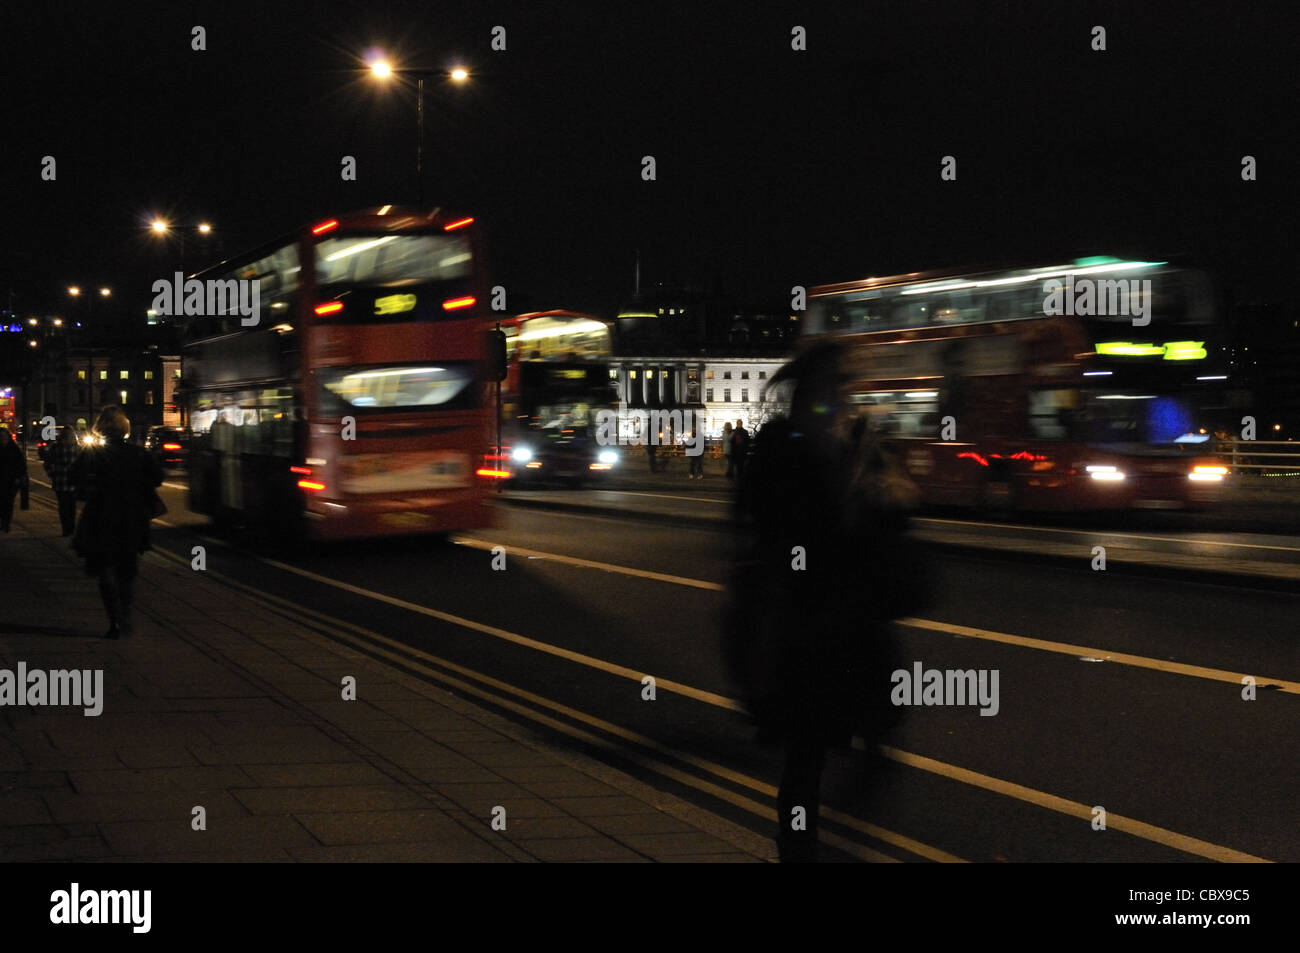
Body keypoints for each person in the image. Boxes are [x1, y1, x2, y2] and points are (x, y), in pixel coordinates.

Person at [726, 342, 925, 862]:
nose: (846, 397)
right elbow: (776, 528)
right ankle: (798, 848)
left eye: (847, 387)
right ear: (813, 393)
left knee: (869, 736)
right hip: (803, 627)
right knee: (807, 755)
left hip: (854, 624)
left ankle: (828, 836)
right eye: (837, 387)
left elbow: (899, 510)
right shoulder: (783, 448)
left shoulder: (856, 446)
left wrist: (883, 489)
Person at [70, 407, 163, 639]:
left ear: (100, 428)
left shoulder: (93, 453)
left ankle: (114, 621)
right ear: (125, 428)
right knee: (127, 570)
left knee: (105, 569)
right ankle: (126, 613)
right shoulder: (138, 453)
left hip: (101, 516)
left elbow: (74, 476)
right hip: (131, 517)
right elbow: (157, 477)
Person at [43, 427, 80, 536]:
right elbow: (83, 464)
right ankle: (71, 528)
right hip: (73, 482)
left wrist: (52, 473)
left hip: (60, 481)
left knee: (63, 506)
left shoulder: (55, 448)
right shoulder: (77, 448)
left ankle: (66, 529)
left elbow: (47, 463)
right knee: (71, 507)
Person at [0, 426, 26, 532]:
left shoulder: (14, 449)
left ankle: (6, 523)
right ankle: (3, 522)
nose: (2, 438)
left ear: (8, 437)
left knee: (9, 503)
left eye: (4, 436)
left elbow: (21, 465)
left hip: (11, 481)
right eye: (0, 437)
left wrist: (19, 477)